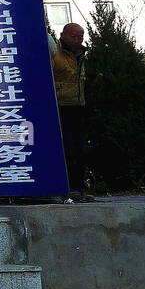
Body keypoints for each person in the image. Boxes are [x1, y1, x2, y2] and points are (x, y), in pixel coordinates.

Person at [52, 22, 89, 198]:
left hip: (78, 107)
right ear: (63, 35)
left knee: (81, 150)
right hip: (60, 107)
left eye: (80, 36)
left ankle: (79, 188)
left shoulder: (82, 55)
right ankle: (67, 188)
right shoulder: (55, 54)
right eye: (73, 36)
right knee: (68, 150)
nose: (77, 40)